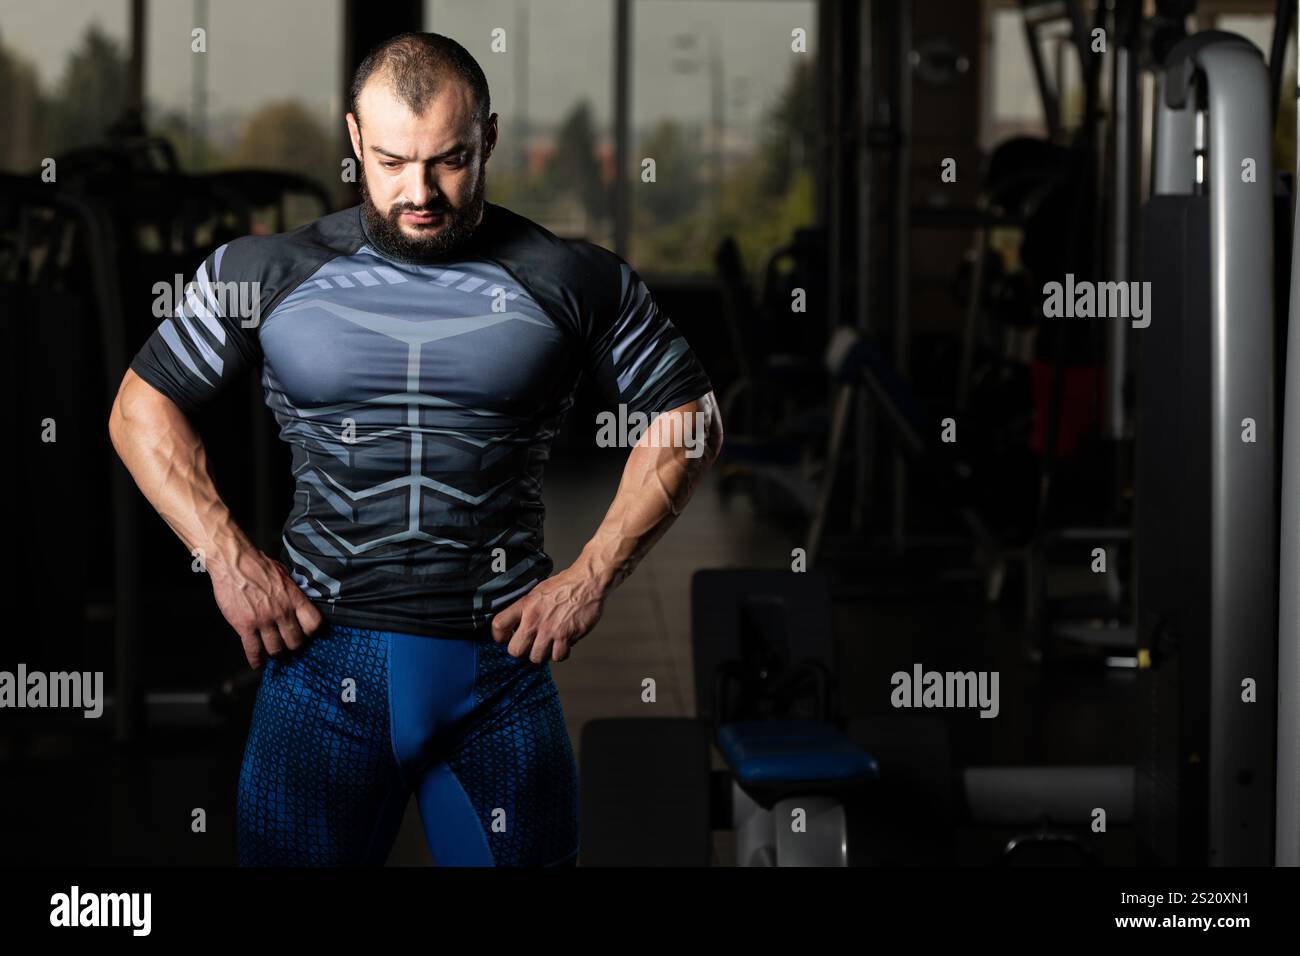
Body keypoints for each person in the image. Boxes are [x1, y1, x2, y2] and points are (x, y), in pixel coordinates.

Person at [107, 31, 722, 866]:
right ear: (354, 141)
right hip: (319, 668)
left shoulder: (569, 277)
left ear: (490, 139)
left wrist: (590, 576)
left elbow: (689, 417)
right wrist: (224, 553)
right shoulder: (268, 270)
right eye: (392, 162)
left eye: (450, 160)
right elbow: (140, 408)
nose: (420, 192)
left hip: (499, 671)